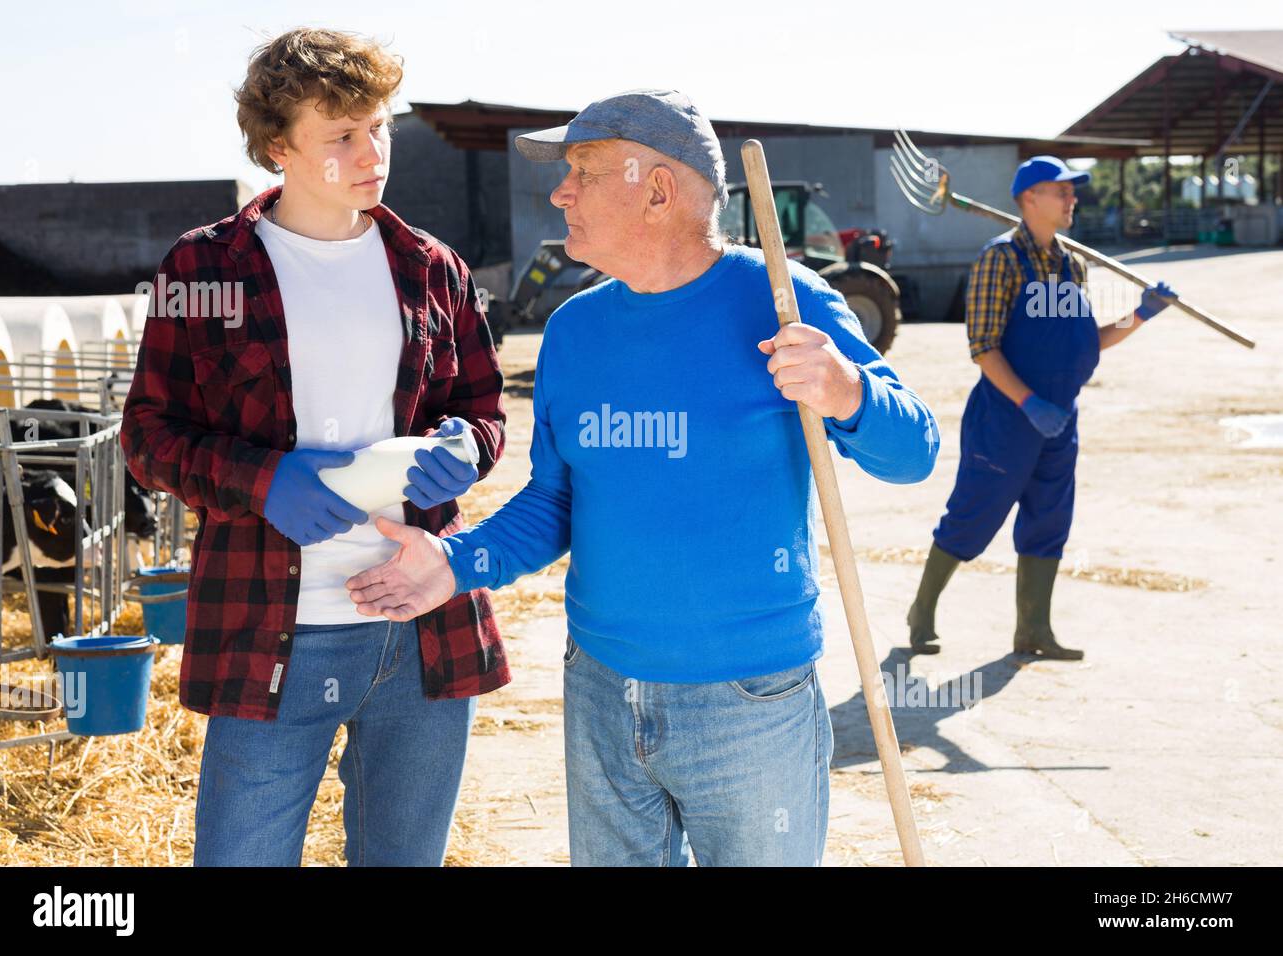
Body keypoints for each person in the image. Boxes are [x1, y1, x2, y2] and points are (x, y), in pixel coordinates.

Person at [342, 89, 940, 866]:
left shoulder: (784, 300)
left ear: (658, 189)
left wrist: (847, 392)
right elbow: (556, 501)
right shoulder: (574, 330)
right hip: (600, 689)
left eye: (583, 171)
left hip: (750, 700)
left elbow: (915, 451)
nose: (560, 192)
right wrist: (457, 563)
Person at [119, 27, 510, 866]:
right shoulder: (204, 266)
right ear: (277, 148)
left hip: (421, 620)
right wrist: (262, 482)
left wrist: (464, 448)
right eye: (341, 135)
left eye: (380, 127)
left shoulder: (432, 268)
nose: (372, 152)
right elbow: (148, 437)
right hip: (271, 627)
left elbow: (483, 408)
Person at [905, 156, 1177, 660]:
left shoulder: (1071, 265)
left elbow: (1086, 342)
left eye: (1073, 192)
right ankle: (922, 611)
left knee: (1049, 520)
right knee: (973, 515)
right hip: (1006, 417)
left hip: (1060, 418)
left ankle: (1034, 631)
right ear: (1030, 198)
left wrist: (1139, 315)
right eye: (1062, 191)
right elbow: (983, 347)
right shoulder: (1001, 260)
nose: (1072, 199)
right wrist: (1028, 401)